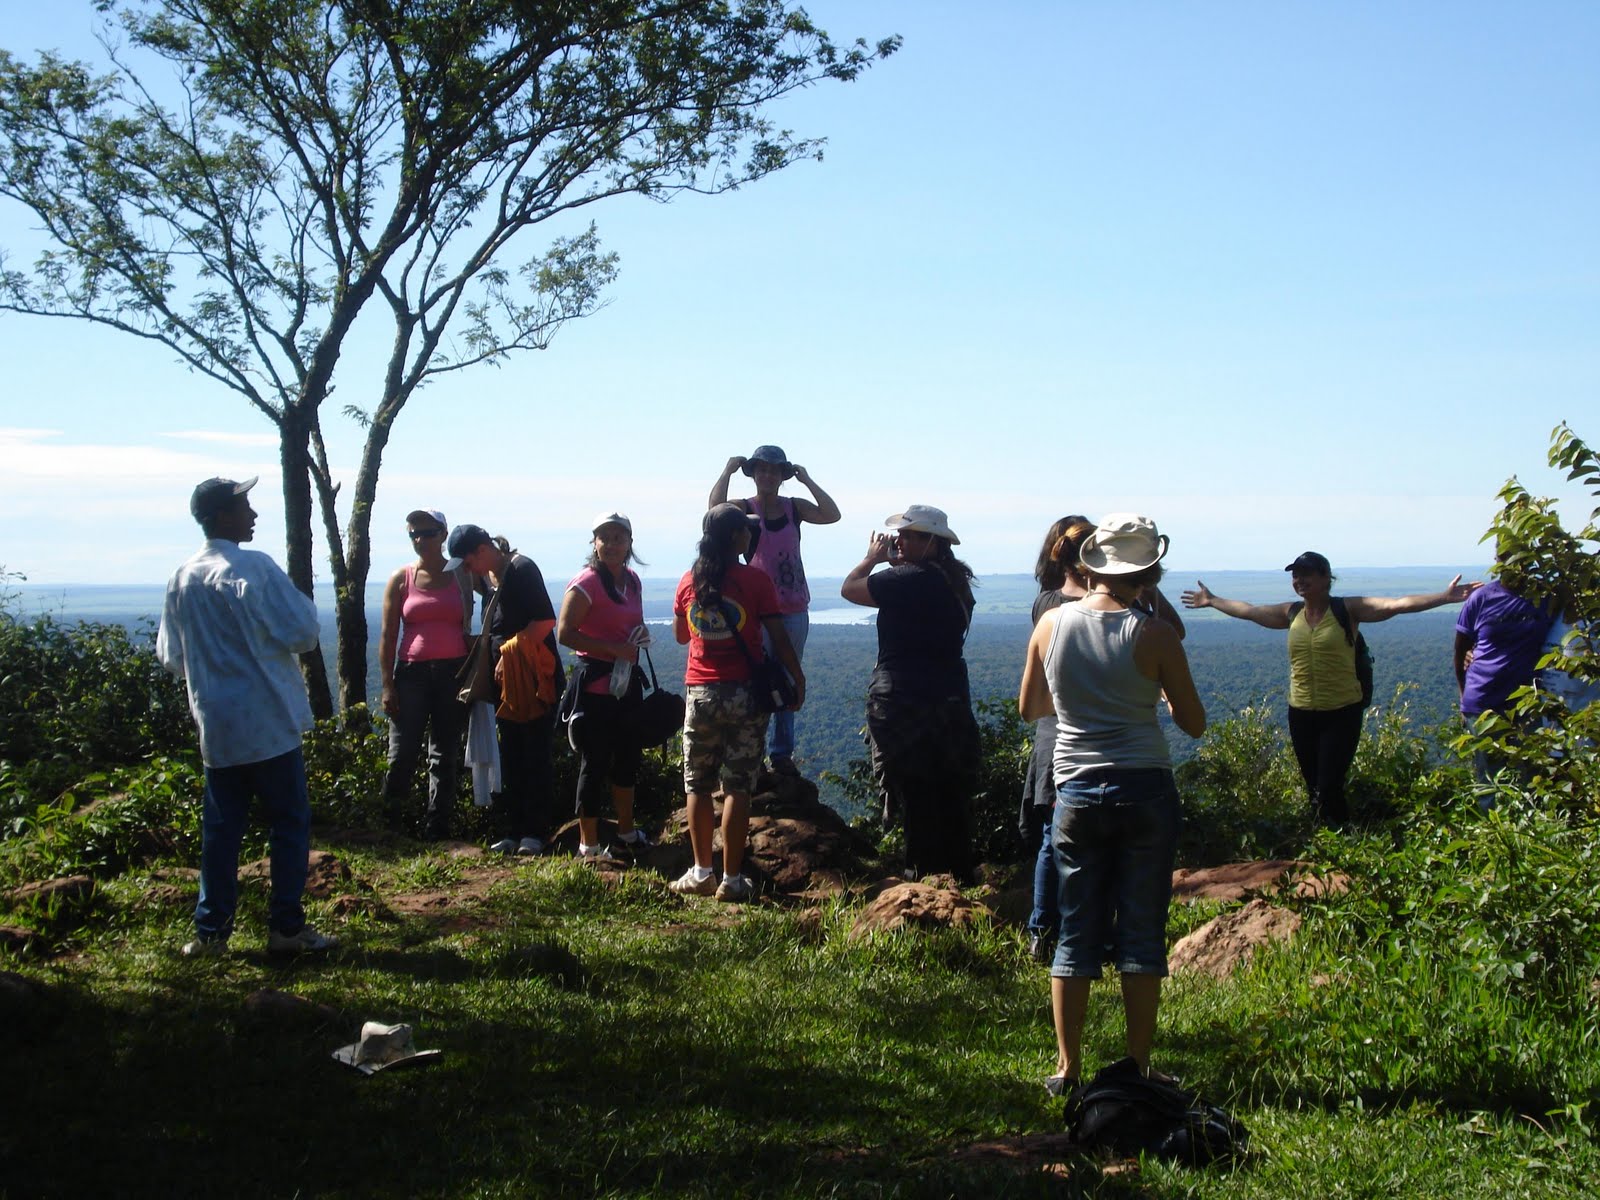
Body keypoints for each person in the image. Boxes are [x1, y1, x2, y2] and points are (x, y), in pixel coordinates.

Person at [1017, 513, 1204, 1091]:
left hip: (1074, 787)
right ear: (1149, 570)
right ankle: (1140, 1069)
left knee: (1076, 930)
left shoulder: (1051, 623)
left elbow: (1031, 708)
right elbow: (1192, 723)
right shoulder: (1154, 634)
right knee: (1141, 932)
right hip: (1145, 785)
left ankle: (1067, 1069)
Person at [156, 476, 336, 957]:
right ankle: (286, 929)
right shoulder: (252, 568)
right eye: (244, 507)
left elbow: (172, 657)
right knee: (288, 823)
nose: (253, 515)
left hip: (216, 724)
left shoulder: (182, 577)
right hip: (269, 720)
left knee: (221, 831)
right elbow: (302, 632)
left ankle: (211, 933)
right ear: (221, 517)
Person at [1182, 553, 1479, 826]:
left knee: (1328, 785)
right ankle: (1324, 841)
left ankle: (1343, 843)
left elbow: (1395, 605)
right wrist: (1213, 600)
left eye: (1306, 574)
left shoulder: (1346, 610)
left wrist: (1444, 597)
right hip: (1300, 713)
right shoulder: (1291, 613)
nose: (1299, 580)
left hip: (1341, 713)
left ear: (1326, 577)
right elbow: (1250, 611)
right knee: (1313, 785)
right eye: (1295, 575)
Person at [670, 503, 805, 902]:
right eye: (746, 531)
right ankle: (731, 879)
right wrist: (797, 678)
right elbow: (778, 638)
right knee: (737, 787)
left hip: (700, 693)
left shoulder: (686, 581)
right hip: (745, 694)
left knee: (697, 784)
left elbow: (681, 635)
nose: (751, 535)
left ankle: (700, 872)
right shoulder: (755, 580)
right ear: (735, 537)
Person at [841, 504, 980, 882]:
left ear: (932, 542)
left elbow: (850, 589)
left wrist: (872, 559)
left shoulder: (908, 580)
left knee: (916, 788)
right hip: (948, 695)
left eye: (909, 535)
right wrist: (897, 561)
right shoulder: (951, 580)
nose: (899, 541)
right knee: (947, 786)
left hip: (904, 696)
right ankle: (959, 871)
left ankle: (920, 871)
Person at [708, 445, 840, 776]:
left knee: (788, 680)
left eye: (774, 470)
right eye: (762, 469)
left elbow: (831, 513)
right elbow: (714, 510)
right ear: (753, 473)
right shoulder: (743, 510)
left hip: (794, 608)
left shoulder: (794, 509)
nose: (767, 475)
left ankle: (782, 754)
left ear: (783, 476)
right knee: (757, 678)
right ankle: (754, 751)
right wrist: (726, 471)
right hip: (756, 610)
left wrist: (806, 479)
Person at [446, 524, 564, 855]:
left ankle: (535, 833)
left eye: (468, 564)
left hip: (533, 680)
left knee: (534, 754)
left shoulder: (521, 569)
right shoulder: (490, 580)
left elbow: (544, 621)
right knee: (511, 754)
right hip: (507, 684)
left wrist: (510, 652)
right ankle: (513, 831)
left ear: (482, 550)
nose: (468, 572)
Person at [556, 512, 654, 857]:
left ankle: (626, 833)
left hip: (625, 683)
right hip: (596, 687)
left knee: (627, 759)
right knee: (594, 762)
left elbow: (631, 622)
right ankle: (589, 844)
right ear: (594, 543)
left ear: (629, 544)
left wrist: (638, 636)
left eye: (618, 538)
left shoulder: (632, 581)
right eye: (604, 538)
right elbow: (565, 633)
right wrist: (613, 649)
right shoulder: (587, 582)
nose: (611, 544)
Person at [378, 508, 472, 838]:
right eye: (414, 534)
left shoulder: (462, 575)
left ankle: (438, 828)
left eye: (427, 533)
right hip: (412, 673)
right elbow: (389, 634)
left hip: (454, 673)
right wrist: (388, 684)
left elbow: (496, 593)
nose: (420, 540)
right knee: (402, 752)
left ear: (444, 535)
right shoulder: (401, 578)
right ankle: (391, 826)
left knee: (445, 753)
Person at [1454, 567, 1554, 781]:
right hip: (1482, 701)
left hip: (1528, 704)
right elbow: (1460, 650)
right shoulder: (1481, 598)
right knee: (1489, 781)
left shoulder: (1544, 597)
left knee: (1533, 778)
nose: (1515, 565)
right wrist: (1463, 697)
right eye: (1506, 556)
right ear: (1497, 559)